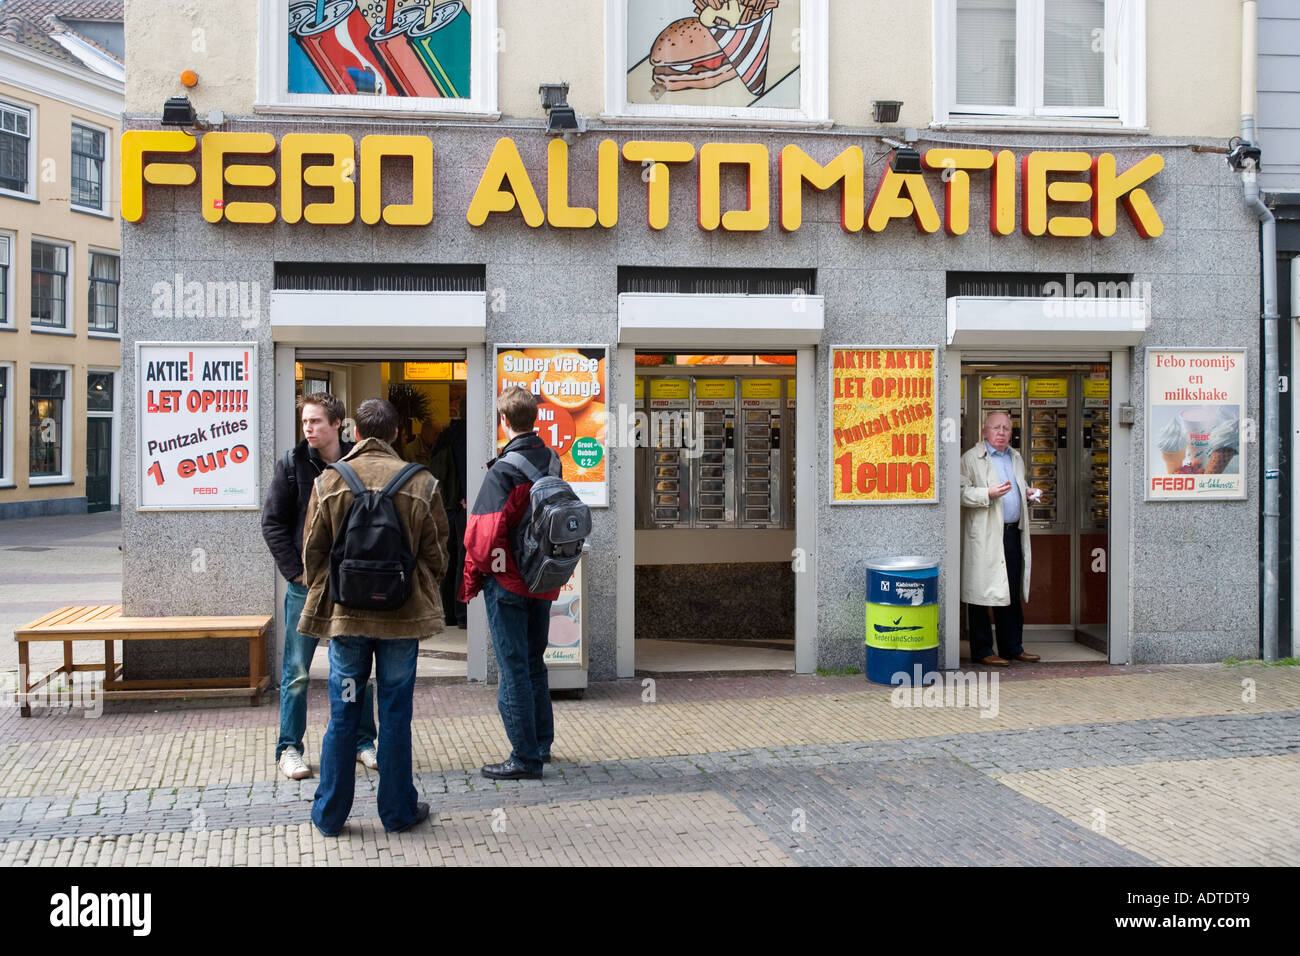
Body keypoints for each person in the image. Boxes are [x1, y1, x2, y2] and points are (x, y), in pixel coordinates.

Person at [299, 398, 449, 835]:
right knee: (396, 711)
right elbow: (436, 554)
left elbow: (312, 551)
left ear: (354, 432)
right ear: (397, 434)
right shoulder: (421, 482)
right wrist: (421, 587)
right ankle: (398, 812)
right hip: (401, 621)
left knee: (344, 711)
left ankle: (329, 815)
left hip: (347, 623)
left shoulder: (330, 479)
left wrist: (329, 589)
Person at [261, 393, 378, 780]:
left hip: (349, 586)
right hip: (306, 587)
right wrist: (295, 572)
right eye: (305, 422)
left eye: (315, 422)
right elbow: (273, 523)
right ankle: (289, 748)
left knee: (356, 668)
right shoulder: (292, 465)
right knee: (296, 671)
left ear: (337, 424)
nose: (308, 428)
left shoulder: (355, 462)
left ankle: (363, 742)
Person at [460, 386, 559, 781]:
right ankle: (542, 744)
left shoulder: (503, 470)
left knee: (513, 666)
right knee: (535, 662)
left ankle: (524, 757)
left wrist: (475, 579)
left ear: (503, 421)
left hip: (509, 581)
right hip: (542, 576)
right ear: (534, 418)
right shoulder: (553, 460)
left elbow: (482, 537)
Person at [959, 410, 1043, 667]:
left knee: (1011, 592)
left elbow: (1016, 487)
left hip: (1012, 533)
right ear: (984, 431)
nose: (1002, 433)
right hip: (985, 537)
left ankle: (1012, 647)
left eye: (1006, 428)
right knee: (981, 594)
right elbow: (960, 493)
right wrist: (988, 493)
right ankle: (983, 650)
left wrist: (1026, 494)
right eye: (996, 428)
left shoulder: (1016, 457)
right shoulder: (971, 458)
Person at [430, 399, 468, 629]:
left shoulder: (446, 435)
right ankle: (463, 613)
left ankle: (448, 612)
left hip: (446, 506)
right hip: (463, 505)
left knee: (449, 558)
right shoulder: (467, 434)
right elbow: (466, 467)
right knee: (464, 559)